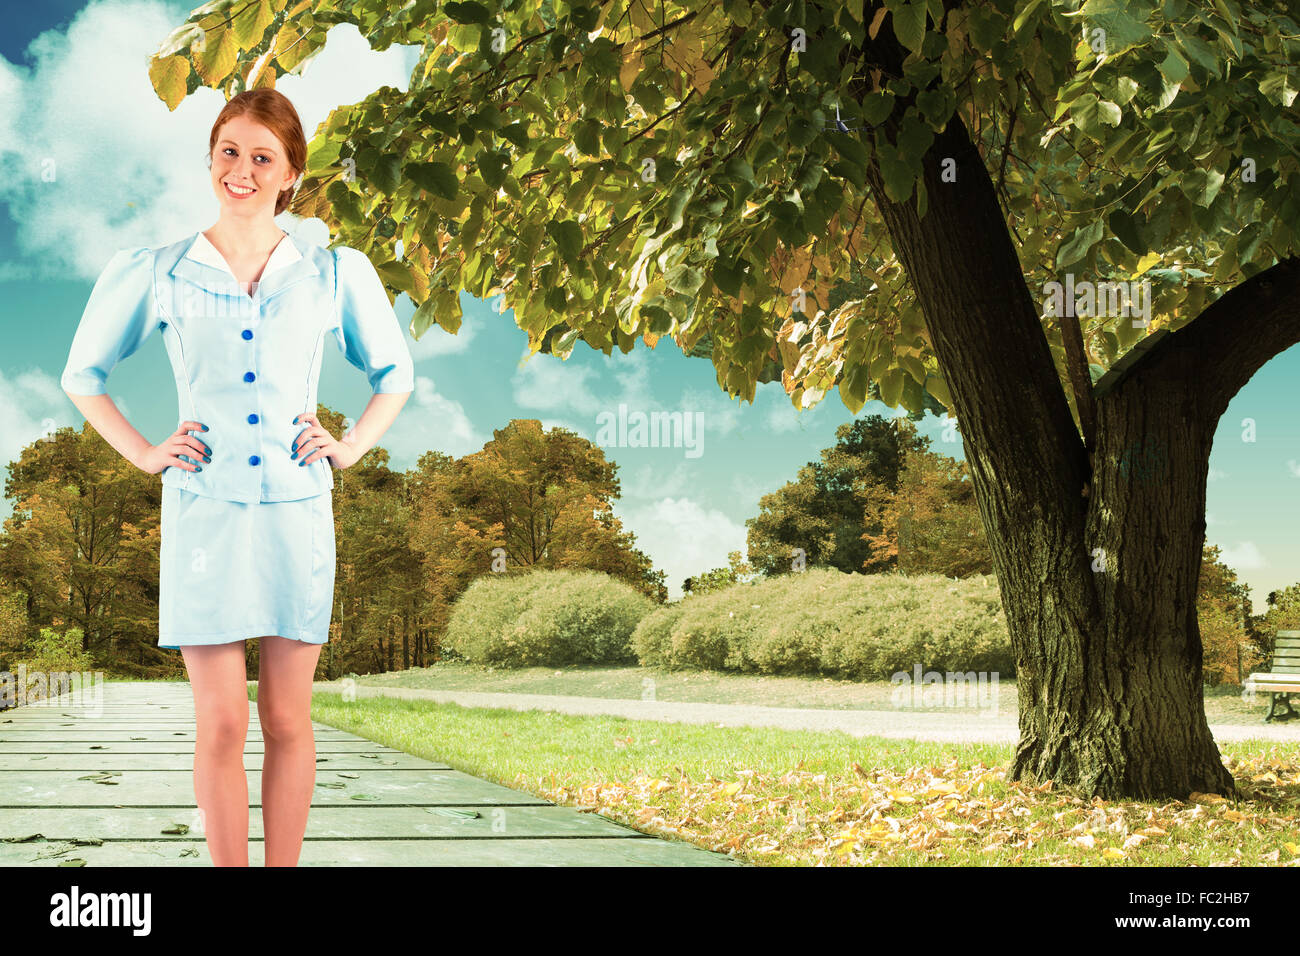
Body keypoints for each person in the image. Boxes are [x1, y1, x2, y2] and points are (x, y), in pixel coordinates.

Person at [60, 89, 415, 866]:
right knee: (221, 723)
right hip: (204, 515)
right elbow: (82, 374)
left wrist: (348, 446)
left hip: (296, 511)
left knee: (288, 720)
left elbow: (395, 374)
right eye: (229, 151)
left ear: (291, 175)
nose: (242, 171)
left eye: (262, 157)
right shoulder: (159, 271)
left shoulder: (332, 274)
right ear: (209, 157)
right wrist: (147, 452)